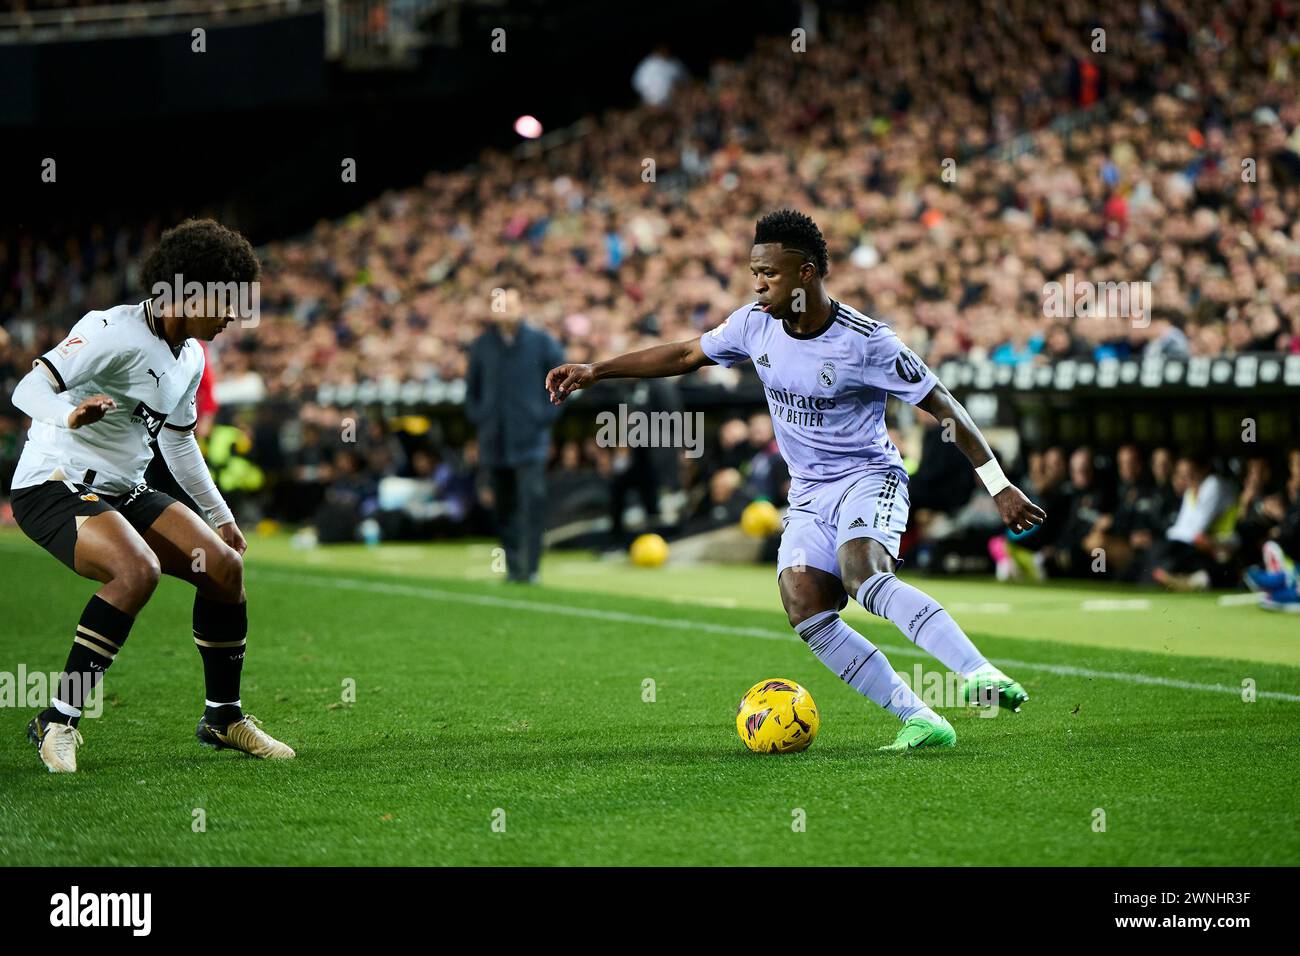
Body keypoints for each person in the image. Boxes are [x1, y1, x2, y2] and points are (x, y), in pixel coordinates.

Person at [547, 210, 1045, 752]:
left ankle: (977, 673)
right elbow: (688, 353)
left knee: (862, 575)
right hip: (808, 494)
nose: (758, 283)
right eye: (754, 272)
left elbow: (944, 405)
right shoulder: (752, 323)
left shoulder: (868, 342)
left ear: (806, 273)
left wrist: (998, 484)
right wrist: (597, 370)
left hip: (868, 477)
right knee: (804, 604)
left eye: (770, 273)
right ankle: (921, 719)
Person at [8, 219, 294, 773]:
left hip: (124, 488)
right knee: (136, 570)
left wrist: (220, 516)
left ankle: (223, 718)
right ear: (187, 294)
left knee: (223, 567)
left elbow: (178, 441)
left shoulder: (190, 356)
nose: (232, 315)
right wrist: (70, 413)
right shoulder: (111, 330)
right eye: (225, 301)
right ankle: (58, 718)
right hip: (54, 482)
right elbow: (29, 386)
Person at [466, 290, 564, 583]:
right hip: (494, 440)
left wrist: (542, 420)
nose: (505, 310)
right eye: (500, 304)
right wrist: (481, 419)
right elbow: (472, 392)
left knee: (532, 503)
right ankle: (513, 567)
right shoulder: (482, 346)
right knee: (503, 506)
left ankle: (531, 568)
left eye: (511, 304)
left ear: (522, 307)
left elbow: (563, 384)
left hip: (530, 440)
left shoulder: (541, 341)